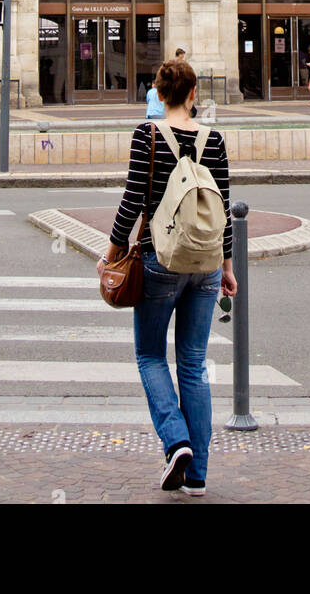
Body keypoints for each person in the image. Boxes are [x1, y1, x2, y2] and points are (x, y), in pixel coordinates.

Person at [100, 59, 236, 496]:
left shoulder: (148, 134)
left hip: (161, 260)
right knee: (194, 366)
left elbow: (131, 201)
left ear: (159, 95)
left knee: (150, 357)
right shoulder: (213, 138)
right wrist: (228, 267)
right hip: (206, 265)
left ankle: (175, 440)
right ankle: (197, 476)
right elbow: (223, 209)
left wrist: (110, 255)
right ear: (194, 94)